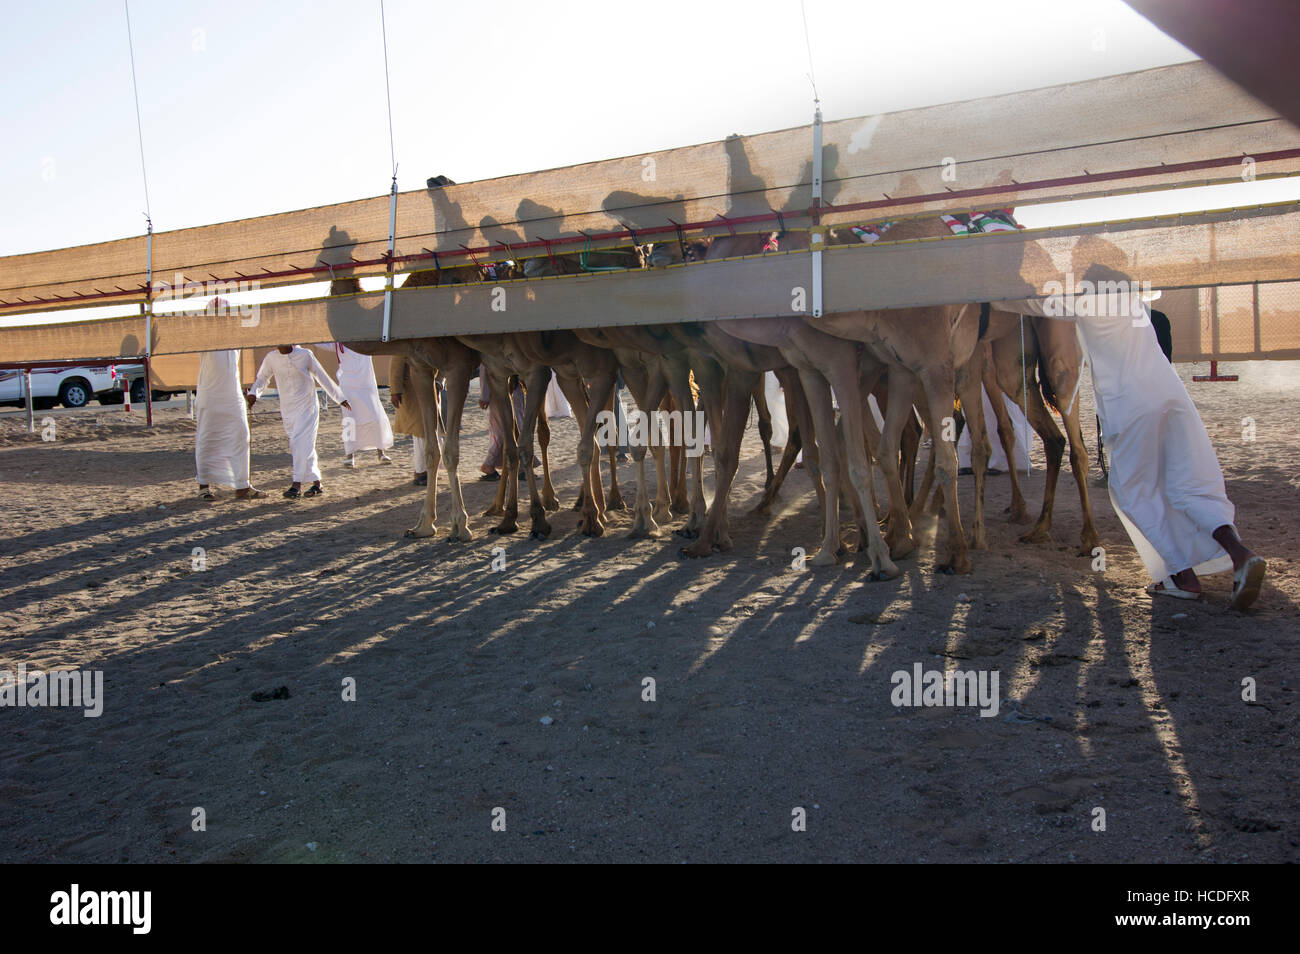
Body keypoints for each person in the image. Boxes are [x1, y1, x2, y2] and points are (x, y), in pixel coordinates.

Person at [998, 272, 1265, 610]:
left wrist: (983, 293)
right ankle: (1241, 555)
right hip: (1172, 396)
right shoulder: (1134, 296)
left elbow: (1031, 303)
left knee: (1133, 491)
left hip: (1132, 405)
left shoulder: (1085, 299)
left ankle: (1183, 577)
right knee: (1191, 484)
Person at [246, 345, 350, 498]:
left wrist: (339, 398)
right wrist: (254, 393)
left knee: (299, 442)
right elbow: (262, 378)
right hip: (288, 409)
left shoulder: (305, 354)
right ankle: (317, 483)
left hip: (307, 406)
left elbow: (321, 376)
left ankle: (296, 484)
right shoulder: (271, 358)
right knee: (305, 445)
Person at [194, 342, 265, 500]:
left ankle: (242, 486)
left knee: (241, 436)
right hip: (209, 394)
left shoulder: (234, 334)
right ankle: (203, 487)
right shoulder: (204, 331)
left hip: (233, 395)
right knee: (207, 439)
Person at [316, 342, 393, 468]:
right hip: (347, 388)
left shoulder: (365, 342)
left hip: (367, 387)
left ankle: (381, 452)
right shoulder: (338, 344)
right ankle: (349, 455)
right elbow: (320, 342)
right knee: (349, 421)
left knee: (376, 417)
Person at [389, 354, 428, 486]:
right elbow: (396, 364)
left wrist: (439, 384)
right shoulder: (404, 340)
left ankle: (427, 469)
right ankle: (420, 471)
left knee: (428, 432)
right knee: (420, 432)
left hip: (429, 389)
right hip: (412, 391)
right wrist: (395, 390)